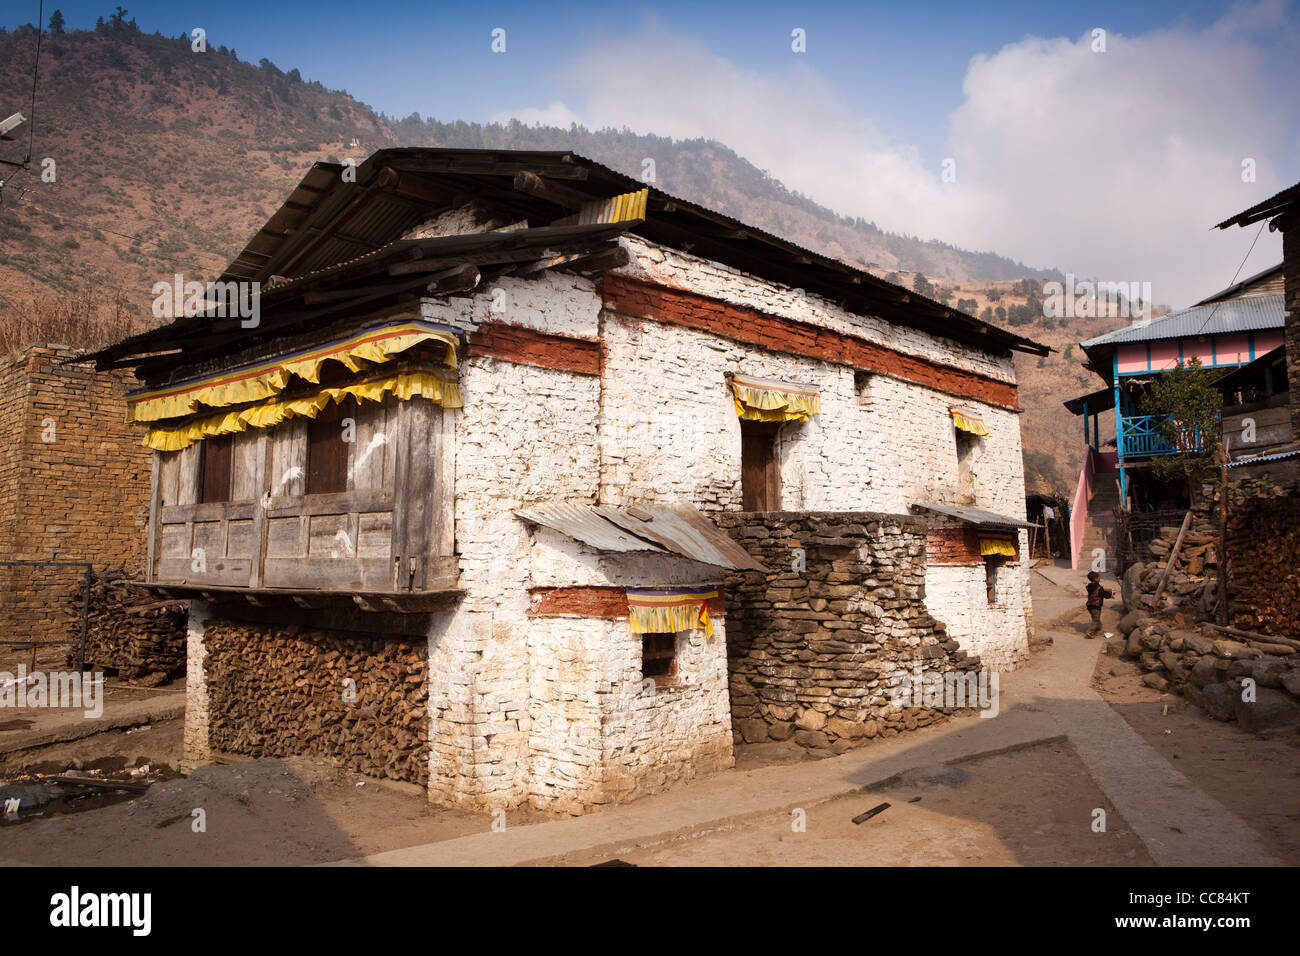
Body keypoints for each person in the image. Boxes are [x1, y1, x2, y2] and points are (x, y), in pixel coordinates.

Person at [1085, 571, 1113, 638]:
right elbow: (1103, 594)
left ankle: (1098, 629)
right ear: (1095, 579)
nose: (1100, 578)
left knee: (1096, 619)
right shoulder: (1098, 587)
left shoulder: (1090, 586)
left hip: (1090, 605)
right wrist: (1110, 595)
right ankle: (1090, 632)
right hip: (1096, 606)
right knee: (1095, 620)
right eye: (1099, 577)